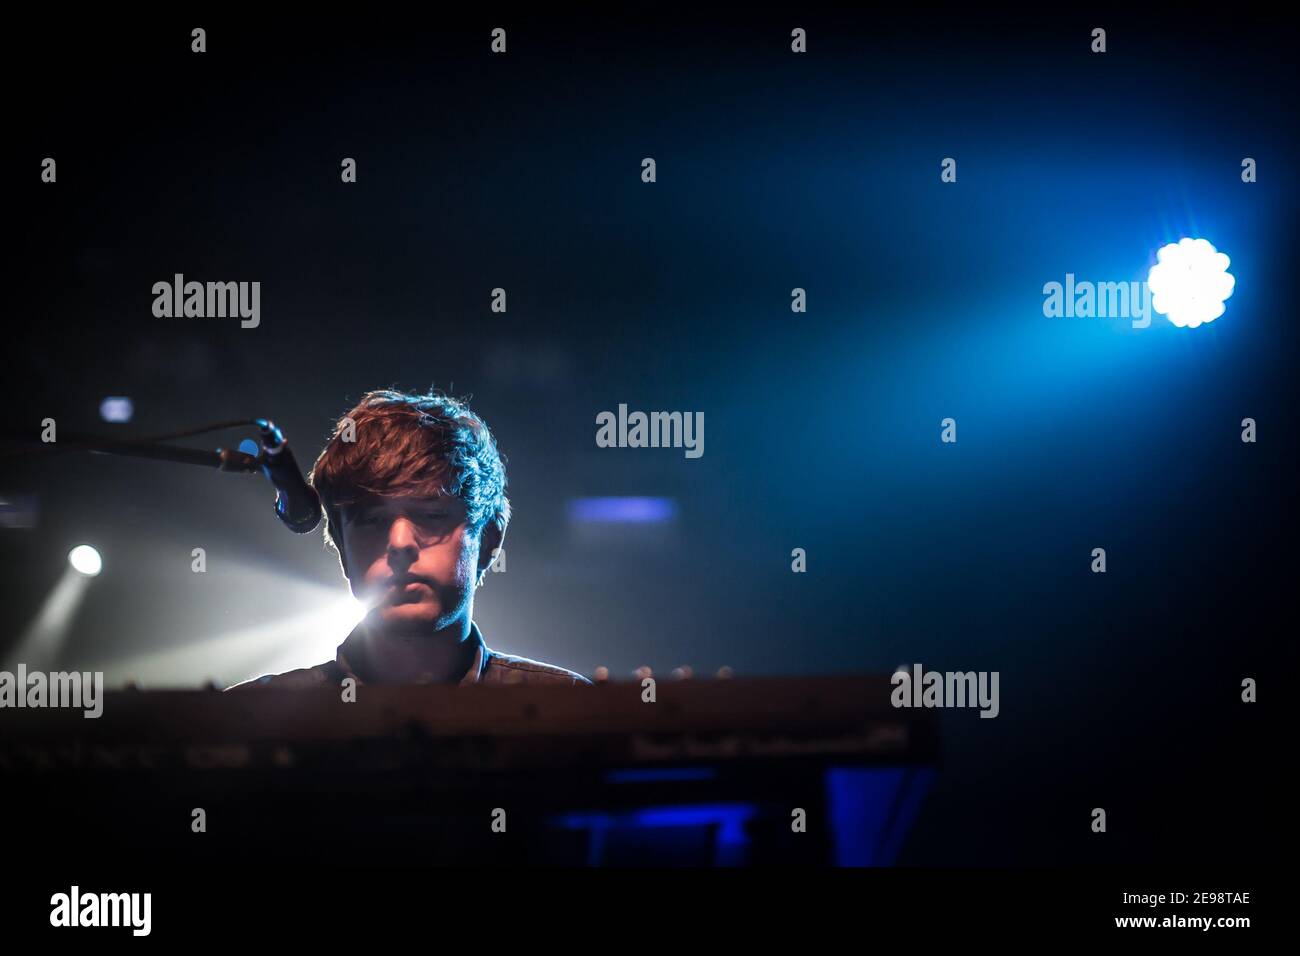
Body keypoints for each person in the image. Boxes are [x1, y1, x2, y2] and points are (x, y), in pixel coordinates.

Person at [227, 388, 589, 689]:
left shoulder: (571, 706)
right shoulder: (247, 715)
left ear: (489, 540)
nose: (400, 544)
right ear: (341, 546)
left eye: (431, 515)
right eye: (371, 519)